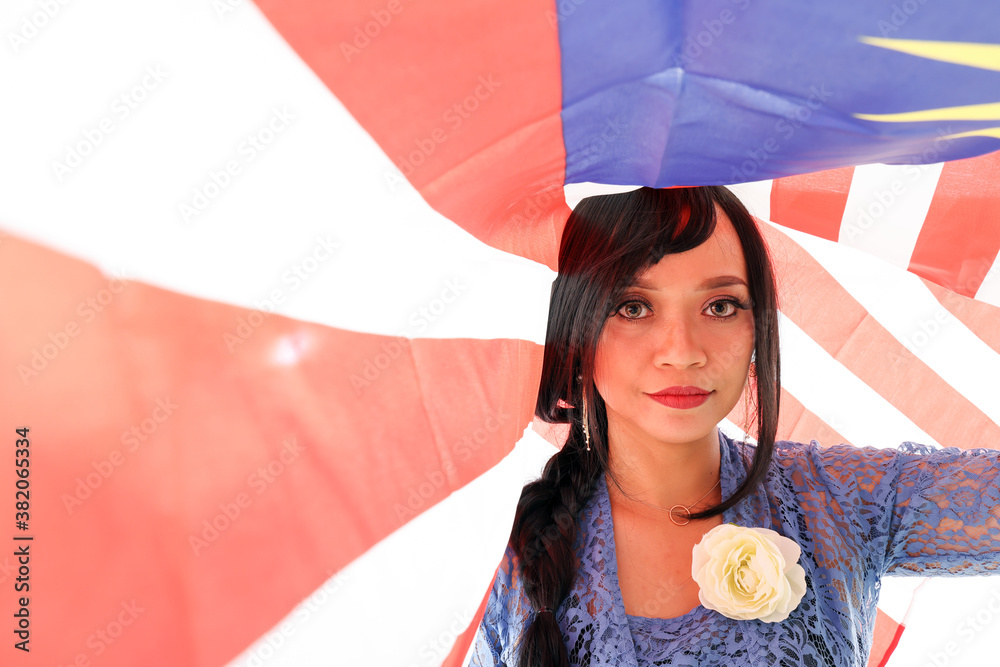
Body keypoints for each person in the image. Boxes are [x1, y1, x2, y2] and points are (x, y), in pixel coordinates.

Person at [468, 186, 1000, 667]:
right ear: (575, 335)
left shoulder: (836, 500)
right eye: (632, 307)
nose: (682, 352)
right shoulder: (498, 552)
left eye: (720, 306)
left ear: (757, 331)